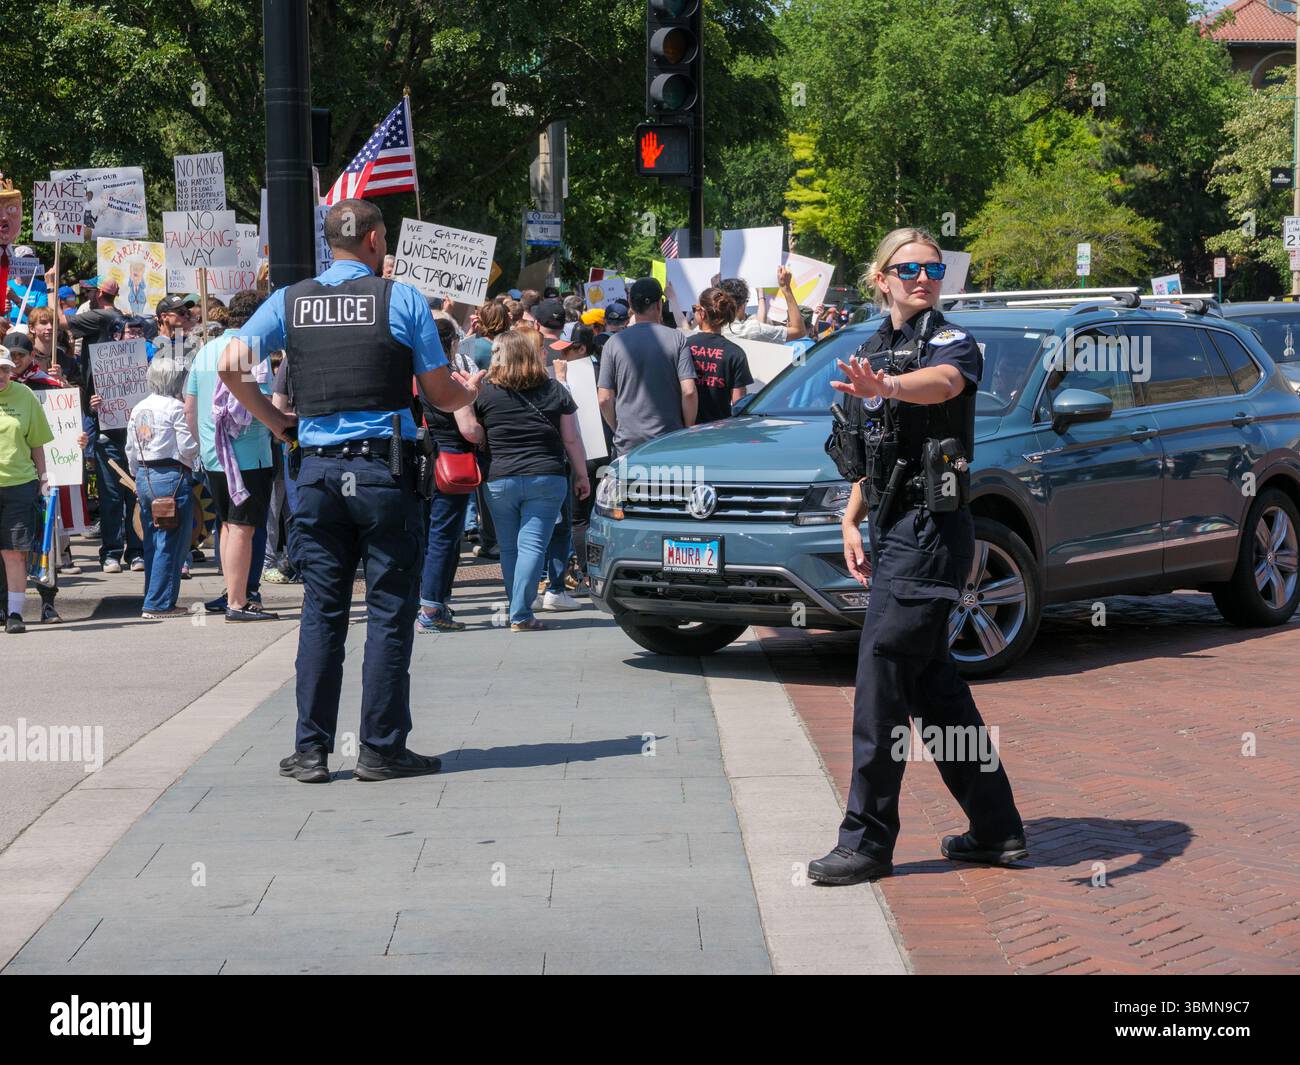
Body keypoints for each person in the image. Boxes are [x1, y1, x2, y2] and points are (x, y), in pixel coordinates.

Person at [218, 197, 484, 784]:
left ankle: (310, 751)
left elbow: (230, 364)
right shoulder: (401, 298)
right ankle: (380, 749)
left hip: (315, 473)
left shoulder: (291, 301)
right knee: (390, 610)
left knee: (323, 611)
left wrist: (276, 422)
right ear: (373, 240)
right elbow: (438, 393)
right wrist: (470, 394)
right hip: (383, 473)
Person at [807, 227, 1026, 885]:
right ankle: (997, 828)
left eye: (933, 267)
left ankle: (867, 841)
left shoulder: (951, 341)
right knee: (936, 691)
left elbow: (945, 384)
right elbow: (869, 453)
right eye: (909, 268)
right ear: (882, 278)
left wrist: (894, 388)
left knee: (880, 679)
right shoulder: (870, 350)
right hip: (892, 527)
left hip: (933, 531)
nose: (923, 277)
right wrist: (850, 517)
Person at [457, 329, 588, 631]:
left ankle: (517, 605)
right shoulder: (554, 389)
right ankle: (520, 612)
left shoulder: (485, 392)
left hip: (499, 478)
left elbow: (473, 433)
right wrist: (582, 475)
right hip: (547, 476)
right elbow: (572, 439)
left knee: (510, 547)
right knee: (533, 546)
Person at [186, 289, 277, 622]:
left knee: (226, 526)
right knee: (242, 528)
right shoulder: (254, 352)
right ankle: (237, 602)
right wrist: (282, 427)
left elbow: (190, 407)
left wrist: (201, 446)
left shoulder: (205, 351)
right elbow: (261, 403)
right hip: (248, 455)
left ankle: (232, 593)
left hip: (213, 455)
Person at [416, 317, 481, 633]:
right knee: (444, 536)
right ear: (453, 343)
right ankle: (431, 607)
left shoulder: (418, 376)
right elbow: (468, 429)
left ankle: (432, 601)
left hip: (424, 461)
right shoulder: (449, 377)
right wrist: (483, 435)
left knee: (430, 534)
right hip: (451, 462)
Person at [127, 357, 198, 618]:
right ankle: (158, 603)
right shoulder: (176, 408)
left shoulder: (139, 407)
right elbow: (187, 446)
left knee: (152, 543)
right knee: (171, 541)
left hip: (145, 475)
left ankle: (154, 597)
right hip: (171, 474)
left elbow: (131, 449)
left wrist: (136, 475)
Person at [596, 278, 697, 457]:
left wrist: (618, 428)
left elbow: (604, 398)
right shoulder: (677, 338)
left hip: (628, 443)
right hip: (669, 440)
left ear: (631, 305)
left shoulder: (613, 343)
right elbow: (688, 391)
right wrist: (687, 430)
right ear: (659, 304)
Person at [0, 345, 54, 633]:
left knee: (15, 552)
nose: (1, 375)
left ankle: (15, 614)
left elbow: (37, 443)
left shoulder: (25, 396)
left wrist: (44, 476)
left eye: (5, 369)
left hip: (19, 483)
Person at [684, 287, 754, 423]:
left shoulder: (684, 346)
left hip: (686, 428)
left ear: (702, 313)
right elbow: (738, 403)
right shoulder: (735, 353)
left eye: (695, 308)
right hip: (721, 430)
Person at [719, 267, 807, 343]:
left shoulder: (708, 327)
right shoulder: (750, 331)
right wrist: (786, 288)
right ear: (742, 305)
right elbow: (798, 331)